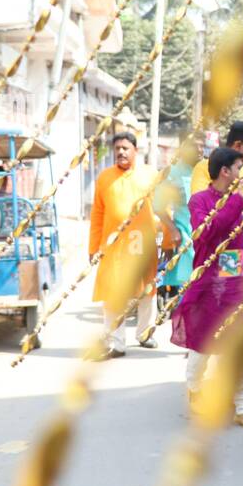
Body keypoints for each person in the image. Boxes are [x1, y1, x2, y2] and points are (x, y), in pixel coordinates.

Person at [171, 147, 243, 428]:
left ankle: (242, 406)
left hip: (239, 286)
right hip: (208, 286)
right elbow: (208, 232)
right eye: (239, 167)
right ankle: (195, 390)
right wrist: (240, 202)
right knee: (202, 345)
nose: (242, 174)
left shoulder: (242, 201)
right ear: (225, 171)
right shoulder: (199, 201)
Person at [88, 131, 160, 359]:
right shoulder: (104, 178)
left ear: (135, 150)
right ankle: (116, 342)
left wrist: (168, 237)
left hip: (143, 244)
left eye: (125, 148)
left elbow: (162, 208)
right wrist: (93, 247)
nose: (121, 152)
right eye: (117, 148)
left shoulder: (150, 175)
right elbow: (97, 214)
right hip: (113, 248)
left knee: (147, 292)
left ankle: (145, 333)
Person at [159, 142, 198, 302]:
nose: (200, 149)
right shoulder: (172, 173)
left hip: (209, 241)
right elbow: (159, 206)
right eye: (195, 145)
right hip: (185, 242)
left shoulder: (208, 169)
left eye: (202, 145)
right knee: (187, 293)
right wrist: (173, 231)